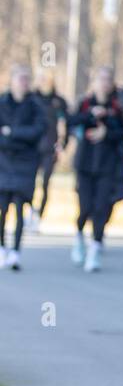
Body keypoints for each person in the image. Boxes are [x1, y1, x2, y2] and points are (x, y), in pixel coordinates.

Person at [66, 67, 123, 272]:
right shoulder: (84, 103)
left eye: (108, 80)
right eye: (101, 79)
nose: (104, 83)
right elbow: (71, 122)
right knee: (85, 207)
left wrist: (106, 132)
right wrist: (89, 116)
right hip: (85, 164)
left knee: (101, 207)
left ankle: (95, 248)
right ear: (94, 81)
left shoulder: (117, 106)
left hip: (107, 165)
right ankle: (78, 237)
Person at [0, 66, 45, 270]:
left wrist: (12, 133)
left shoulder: (35, 105)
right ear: (12, 81)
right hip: (3, 163)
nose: (23, 83)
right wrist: (14, 137)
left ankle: (16, 251)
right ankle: (2, 247)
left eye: (26, 80)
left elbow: (36, 132)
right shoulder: (2, 102)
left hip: (25, 165)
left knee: (20, 208)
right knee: (3, 209)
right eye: (20, 79)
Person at [31, 69, 68, 229]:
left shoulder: (58, 101)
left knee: (45, 183)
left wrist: (61, 145)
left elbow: (64, 124)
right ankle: (30, 211)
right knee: (30, 182)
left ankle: (39, 215)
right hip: (32, 148)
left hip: (50, 148)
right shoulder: (32, 99)